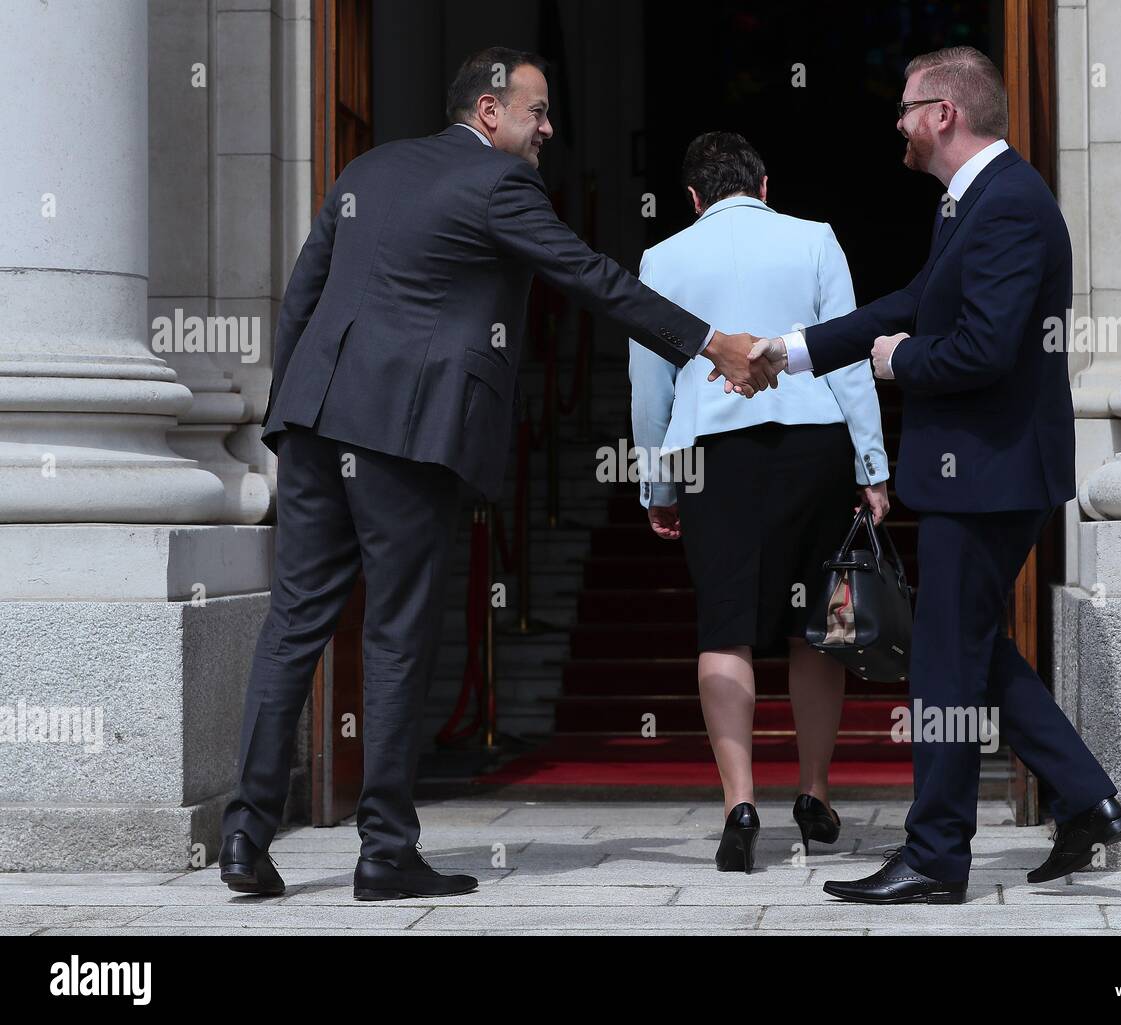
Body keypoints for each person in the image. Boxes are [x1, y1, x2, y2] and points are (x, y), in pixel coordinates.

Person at [218, 46, 773, 902]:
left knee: (293, 625)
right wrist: (714, 343)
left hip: (316, 421)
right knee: (397, 634)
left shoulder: (368, 166)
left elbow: (303, 294)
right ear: (488, 111)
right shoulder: (501, 186)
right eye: (537, 111)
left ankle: (246, 838)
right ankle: (384, 850)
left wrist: (287, 418)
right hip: (406, 433)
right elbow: (590, 278)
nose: (549, 128)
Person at [750, 46, 1121, 904]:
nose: (898, 125)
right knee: (963, 648)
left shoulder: (1009, 206)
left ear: (945, 114)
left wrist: (895, 365)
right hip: (983, 473)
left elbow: (983, 349)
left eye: (905, 109)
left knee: (944, 664)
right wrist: (794, 350)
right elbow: (910, 302)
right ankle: (1085, 797)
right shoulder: (974, 203)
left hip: (990, 476)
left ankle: (935, 855)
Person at [629, 132, 890, 873]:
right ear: (765, 185)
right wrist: (871, 465)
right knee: (819, 629)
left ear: (693, 198)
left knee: (725, 624)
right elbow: (849, 356)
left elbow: (650, 386)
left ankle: (739, 804)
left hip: (716, 453)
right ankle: (814, 792)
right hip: (815, 446)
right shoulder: (816, 240)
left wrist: (658, 482)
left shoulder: (662, 259)